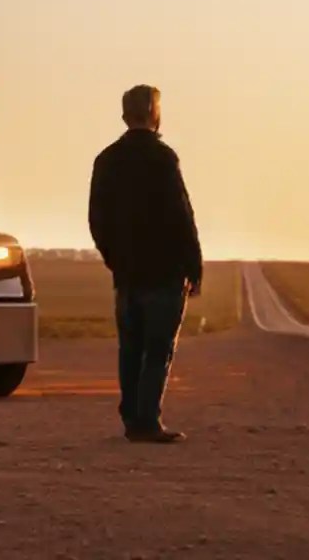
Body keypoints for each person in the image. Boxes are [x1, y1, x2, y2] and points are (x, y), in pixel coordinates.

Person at [89, 84, 202, 444]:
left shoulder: (106, 160)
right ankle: (146, 420)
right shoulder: (163, 158)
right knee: (157, 349)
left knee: (131, 348)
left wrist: (114, 260)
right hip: (164, 273)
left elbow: (97, 219)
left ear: (125, 115)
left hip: (127, 275)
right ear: (154, 111)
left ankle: (132, 418)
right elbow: (182, 214)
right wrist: (194, 265)